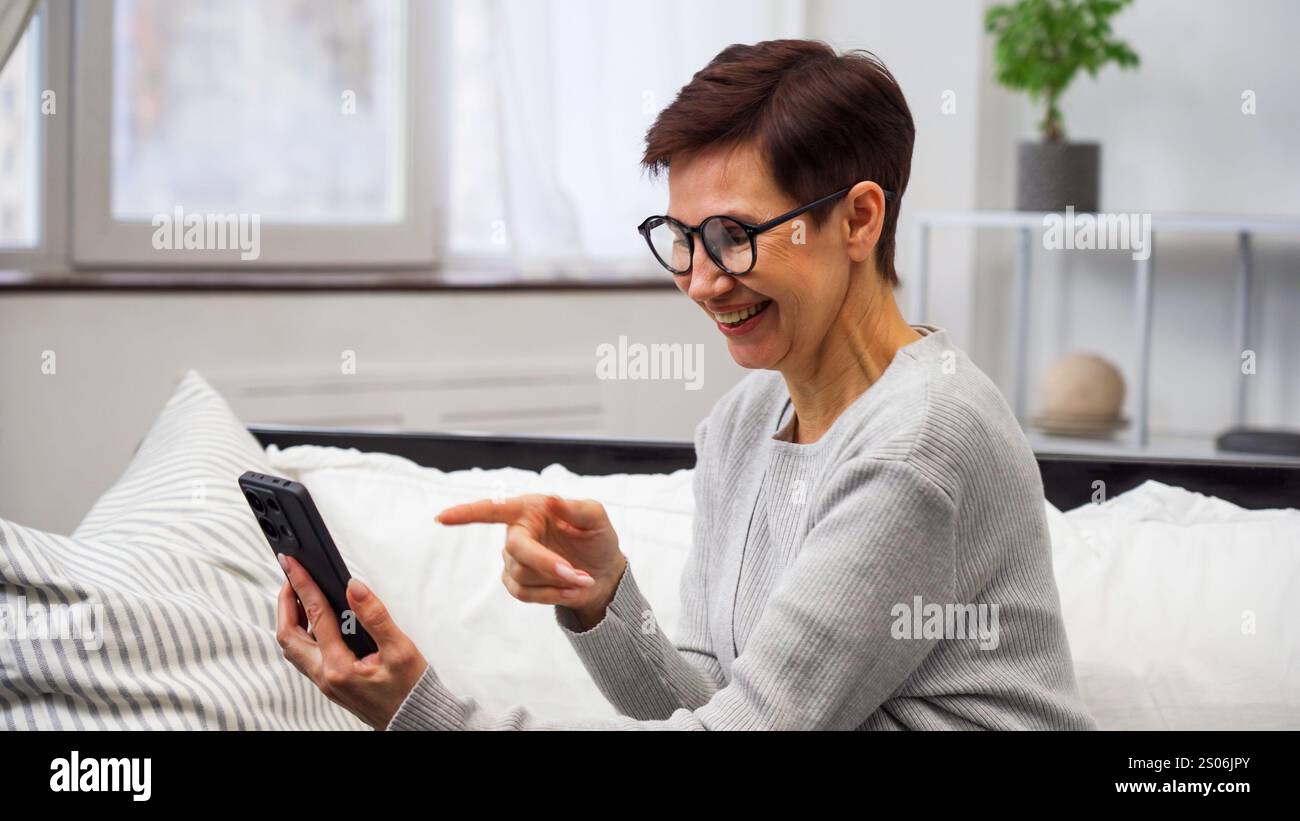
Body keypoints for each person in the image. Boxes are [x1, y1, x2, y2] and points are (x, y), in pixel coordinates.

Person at [276, 39, 1096, 731]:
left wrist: (422, 711)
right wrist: (601, 597)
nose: (702, 282)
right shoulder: (745, 422)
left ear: (858, 219)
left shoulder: (921, 441)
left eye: (734, 237)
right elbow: (714, 699)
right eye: (682, 238)